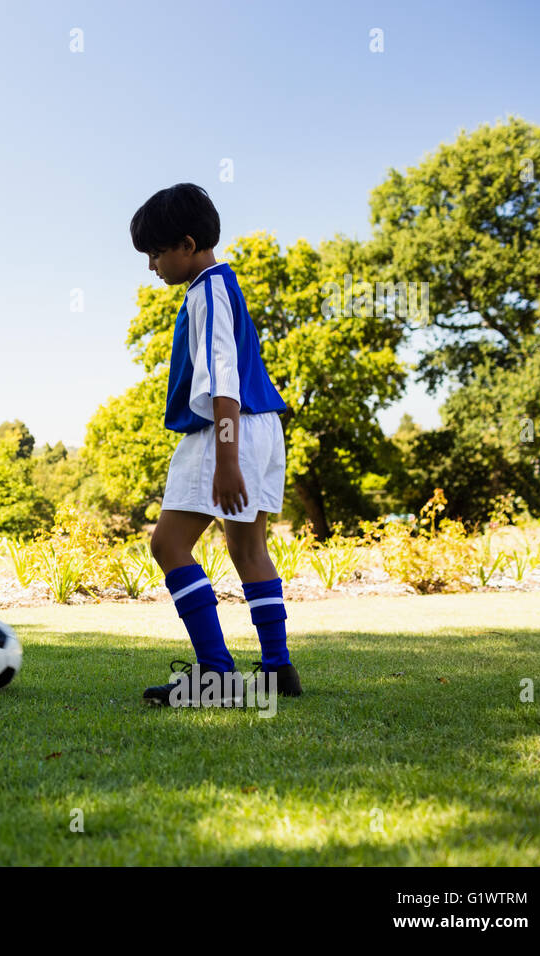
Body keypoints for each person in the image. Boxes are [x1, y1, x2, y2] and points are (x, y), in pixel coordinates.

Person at [127, 183, 302, 706]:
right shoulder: (223, 286)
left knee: (167, 544)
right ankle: (277, 672)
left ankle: (215, 675)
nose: (152, 265)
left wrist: (227, 461)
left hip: (229, 428)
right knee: (248, 549)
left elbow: (223, 379)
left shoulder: (206, 290)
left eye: (156, 253)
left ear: (186, 244)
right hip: (262, 425)